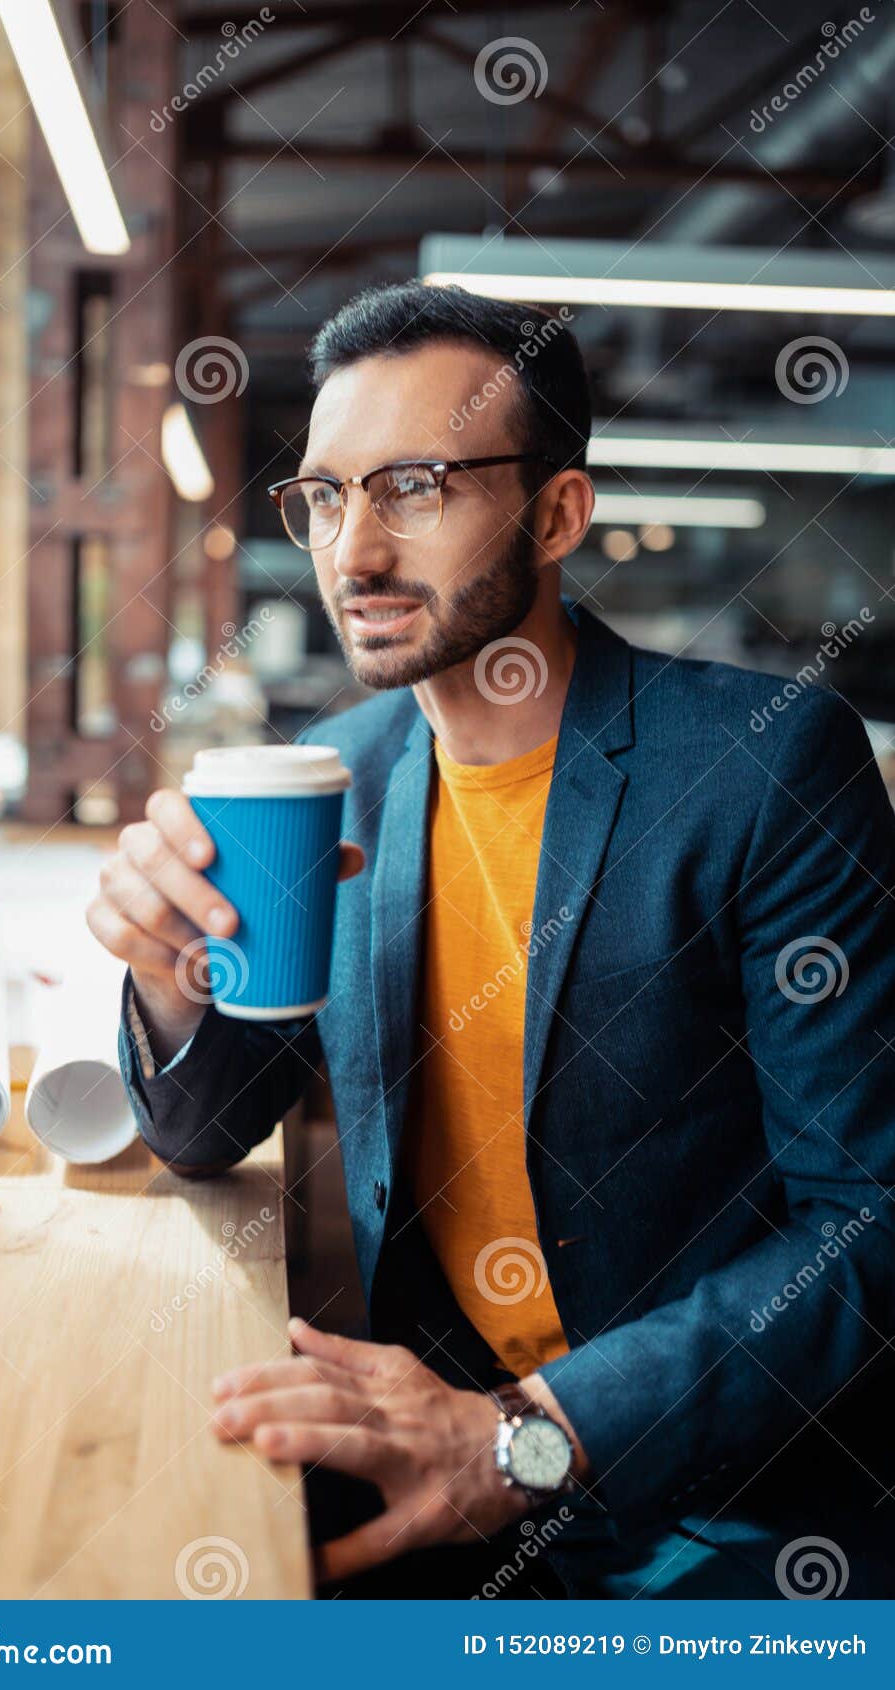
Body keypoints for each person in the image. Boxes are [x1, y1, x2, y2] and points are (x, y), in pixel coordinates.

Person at [87, 281, 895, 1599]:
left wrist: (537, 1432)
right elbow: (203, 1125)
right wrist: (164, 979)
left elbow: (868, 1223)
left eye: (413, 486)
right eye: (327, 497)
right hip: (443, 1441)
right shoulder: (329, 773)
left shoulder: (762, 766)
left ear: (558, 512)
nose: (352, 552)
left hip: (720, 1483)